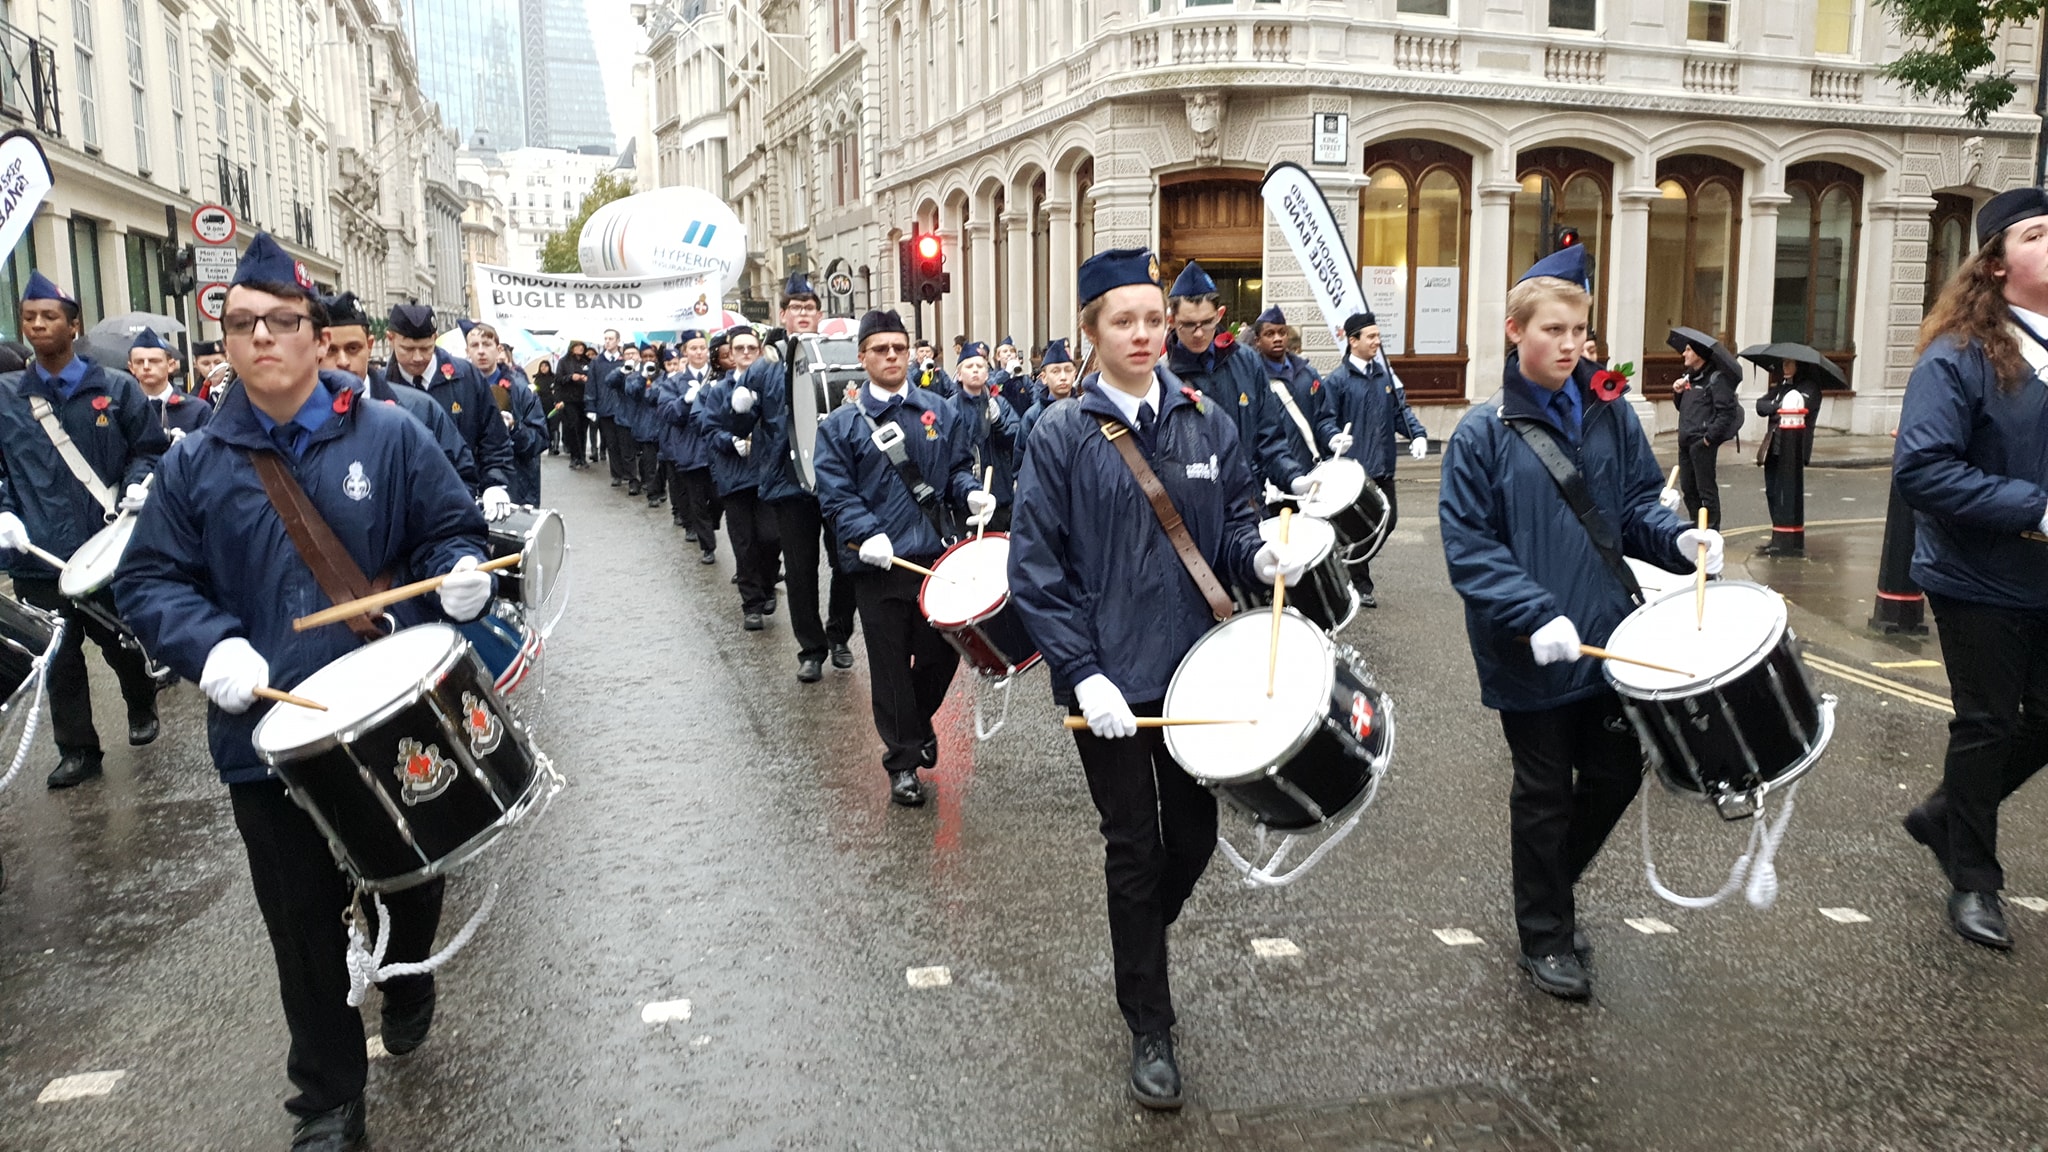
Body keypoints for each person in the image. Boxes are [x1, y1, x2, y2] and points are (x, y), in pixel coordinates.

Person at [114, 234, 494, 1152]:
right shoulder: (194, 464)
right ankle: (326, 1097)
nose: (261, 341)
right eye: (241, 325)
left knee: (411, 877)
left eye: (282, 323)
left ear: (317, 338)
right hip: (269, 733)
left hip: (389, 714)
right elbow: (149, 582)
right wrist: (212, 652)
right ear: (227, 343)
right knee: (300, 923)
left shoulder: (389, 433)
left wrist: (461, 571)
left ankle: (406, 976)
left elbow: (448, 530)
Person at [1007, 249, 1309, 1110]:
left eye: (1153, 318)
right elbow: (1038, 569)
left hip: (1194, 671)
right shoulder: (1059, 433)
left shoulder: (1206, 419)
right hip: (1107, 685)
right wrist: (1081, 672)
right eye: (1124, 321)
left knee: (1193, 840)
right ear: (1093, 332)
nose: (1143, 334)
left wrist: (1262, 551)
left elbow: (1238, 520)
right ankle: (1150, 1022)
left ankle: (1134, 940)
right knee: (1134, 846)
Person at [1438, 245, 1721, 1002]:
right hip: (1527, 647)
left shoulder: (1611, 413)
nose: (1568, 345)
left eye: (1579, 332)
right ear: (1514, 331)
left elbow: (1631, 511)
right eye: (1553, 330)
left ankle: (1548, 894)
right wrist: (1533, 615)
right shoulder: (1480, 434)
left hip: (1605, 637)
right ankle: (1545, 935)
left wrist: (1679, 541)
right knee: (1543, 789)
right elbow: (1470, 549)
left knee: (1615, 773)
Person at [1893, 186, 2048, 951]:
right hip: (1979, 576)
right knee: (1987, 725)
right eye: (2038, 234)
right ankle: (1975, 883)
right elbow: (1923, 468)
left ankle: (1946, 814)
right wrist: (2035, 509)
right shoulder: (1958, 355)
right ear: (1994, 265)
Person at [812, 309, 993, 803]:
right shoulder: (841, 426)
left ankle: (913, 727)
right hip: (879, 565)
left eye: (899, 347)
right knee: (891, 666)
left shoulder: (941, 409)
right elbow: (835, 492)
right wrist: (864, 533)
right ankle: (903, 763)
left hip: (935, 558)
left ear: (910, 351)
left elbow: (956, 469)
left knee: (941, 657)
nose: (892, 356)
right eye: (880, 349)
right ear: (862, 357)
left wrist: (971, 492)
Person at [0, 271, 165, 788]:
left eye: (49, 317)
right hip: (37, 555)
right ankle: (77, 750)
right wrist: (3, 511)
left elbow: (150, 448)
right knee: (59, 658)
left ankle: (141, 703)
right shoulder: (5, 397)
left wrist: (140, 485)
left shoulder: (115, 390)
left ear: (75, 325)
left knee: (121, 642)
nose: (38, 326)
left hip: (106, 548)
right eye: (29, 318)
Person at [749, 274, 860, 681]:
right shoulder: (767, 364)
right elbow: (742, 413)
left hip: (835, 481)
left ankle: (839, 635)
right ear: (783, 314)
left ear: (818, 314)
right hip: (787, 482)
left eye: (809, 308)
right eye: (795, 308)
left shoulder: (835, 353)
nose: (802, 314)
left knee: (847, 562)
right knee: (800, 570)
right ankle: (810, 649)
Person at [1163, 261, 1308, 500]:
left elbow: (1269, 436)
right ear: (1172, 321)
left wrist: (1293, 477)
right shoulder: (1162, 376)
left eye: (1207, 322)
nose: (1199, 333)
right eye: (1188, 325)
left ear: (1219, 315)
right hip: (1190, 507)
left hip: (1246, 500)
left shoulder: (1248, 362)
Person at [1319, 308, 1429, 607]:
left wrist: (1418, 434)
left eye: (1378, 336)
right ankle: (1359, 583)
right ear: (1353, 341)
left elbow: (1400, 413)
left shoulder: (1384, 377)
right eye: (1371, 336)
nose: (1377, 341)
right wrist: (1332, 436)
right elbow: (1324, 419)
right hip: (1353, 471)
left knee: (1388, 520)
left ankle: (1349, 567)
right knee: (1356, 527)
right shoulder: (1338, 380)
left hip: (1383, 466)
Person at [319, 292, 475, 491]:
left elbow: (460, 482)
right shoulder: (293, 417)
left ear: (369, 346)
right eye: (331, 351)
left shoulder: (419, 409)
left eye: (352, 348)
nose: (343, 362)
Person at [379, 303, 515, 520]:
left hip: (464, 499)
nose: (417, 358)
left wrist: (495, 484)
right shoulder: (382, 387)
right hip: (404, 510)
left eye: (425, 348)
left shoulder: (466, 377)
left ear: (435, 337)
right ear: (390, 338)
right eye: (407, 349)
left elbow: (494, 439)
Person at [695, 326, 782, 629]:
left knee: (771, 537)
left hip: (769, 475)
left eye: (752, 348)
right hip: (735, 477)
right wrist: (732, 442)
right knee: (744, 543)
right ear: (730, 354)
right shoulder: (719, 391)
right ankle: (752, 604)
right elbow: (709, 429)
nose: (746, 353)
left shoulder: (771, 387)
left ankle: (769, 583)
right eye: (740, 348)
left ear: (760, 352)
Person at [464, 321, 548, 507]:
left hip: (515, 489)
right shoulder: (459, 390)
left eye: (487, 344)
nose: (481, 351)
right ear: (467, 351)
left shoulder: (520, 390)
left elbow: (540, 439)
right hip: (471, 490)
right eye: (474, 346)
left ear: (498, 348)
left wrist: (514, 428)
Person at [1251, 306, 1343, 476]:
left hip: (1311, 471)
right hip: (1272, 479)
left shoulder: (1309, 374)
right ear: (1257, 341)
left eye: (1282, 332)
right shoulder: (1252, 379)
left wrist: (1333, 437)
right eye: (1270, 334)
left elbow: (1323, 418)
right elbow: (1251, 436)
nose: (1277, 338)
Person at [1666, 334, 1742, 530]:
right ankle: (1697, 527)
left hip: (1702, 443)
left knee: (1705, 491)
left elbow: (1726, 413)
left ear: (1699, 353)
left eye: (1689, 349)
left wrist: (1708, 439)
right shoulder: (1689, 377)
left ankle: (1712, 531)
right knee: (1689, 490)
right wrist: (1678, 392)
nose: (1684, 353)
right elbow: (1683, 407)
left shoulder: (1716, 379)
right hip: (1685, 442)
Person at [658, 330, 722, 561]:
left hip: (715, 448)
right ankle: (708, 546)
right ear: (685, 351)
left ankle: (712, 523)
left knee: (717, 498)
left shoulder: (718, 378)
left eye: (702, 347)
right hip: (690, 449)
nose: (698, 352)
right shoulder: (675, 382)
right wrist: (684, 401)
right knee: (697, 500)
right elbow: (667, 413)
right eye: (693, 348)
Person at [1754, 358, 1825, 557]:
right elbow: (1760, 406)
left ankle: (1788, 538)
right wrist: (1777, 404)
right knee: (1772, 492)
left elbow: (1799, 407)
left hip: (1793, 450)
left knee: (1787, 495)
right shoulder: (1781, 387)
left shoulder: (1809, 388)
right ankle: (1777, 534)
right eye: (1783, 364)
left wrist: (1775, 405)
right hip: (1773, 447)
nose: (1784, 367)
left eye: (1789, 364)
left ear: (1799, 366)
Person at [950, 340, 1021, 532]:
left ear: (987, 372)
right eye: (969, 366)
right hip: (965, 499)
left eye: (980, 366)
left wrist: (998, 422)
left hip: (1000, 493)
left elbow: (1015, 439)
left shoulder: (1001, 404)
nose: (975, 370)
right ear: (959, 373)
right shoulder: (950, 408)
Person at [130, 328, 212, 440]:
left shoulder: (197, 409)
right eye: (139, 362)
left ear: (171, 365)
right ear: (131, 367)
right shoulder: (125, 411)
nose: (146, 367)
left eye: (154, 361)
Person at [1018, 337, 1078, 454]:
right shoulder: (1032, 417)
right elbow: (1021, 461)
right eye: (1055, 371)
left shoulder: (1084, 412)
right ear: (1044, 377)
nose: (1063, 377)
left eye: (1068, 370)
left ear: (1074, 375)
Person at [591, 329, 628, 485]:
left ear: (618, 341)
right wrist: (590, 407)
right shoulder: (597, 362)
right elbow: (591, 385)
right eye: (605, 338)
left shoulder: (624, 361)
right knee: (611, 443)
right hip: (605, 407)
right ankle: (616, 475)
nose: (607, 341)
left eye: (611, 338)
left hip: (623, 407)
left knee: (625, 442)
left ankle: (629, 472)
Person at [557, 342, 591, 468]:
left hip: (584, 399)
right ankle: (574, 456)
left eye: (582, 346)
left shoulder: (586, 362)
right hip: (569, 399)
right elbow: (559, 379)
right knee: (573, 425)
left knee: (583, 428)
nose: (580, 348)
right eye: (577, 346)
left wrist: (587, 378)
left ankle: (582, 456)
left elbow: (592, 377)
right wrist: (571, 377)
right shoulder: (563, 362)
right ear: (571, 348)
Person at [532, 357, 561, 455]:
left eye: (546, 366)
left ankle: (556, 445)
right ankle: (549, 445)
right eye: (542, 366)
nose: (544, 368)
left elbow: (558, 390)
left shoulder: (554, 378)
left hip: (553, 404)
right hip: (542, 404)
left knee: (554, 425)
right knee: (546, 426)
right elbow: (535, 392)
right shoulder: (537, 379)